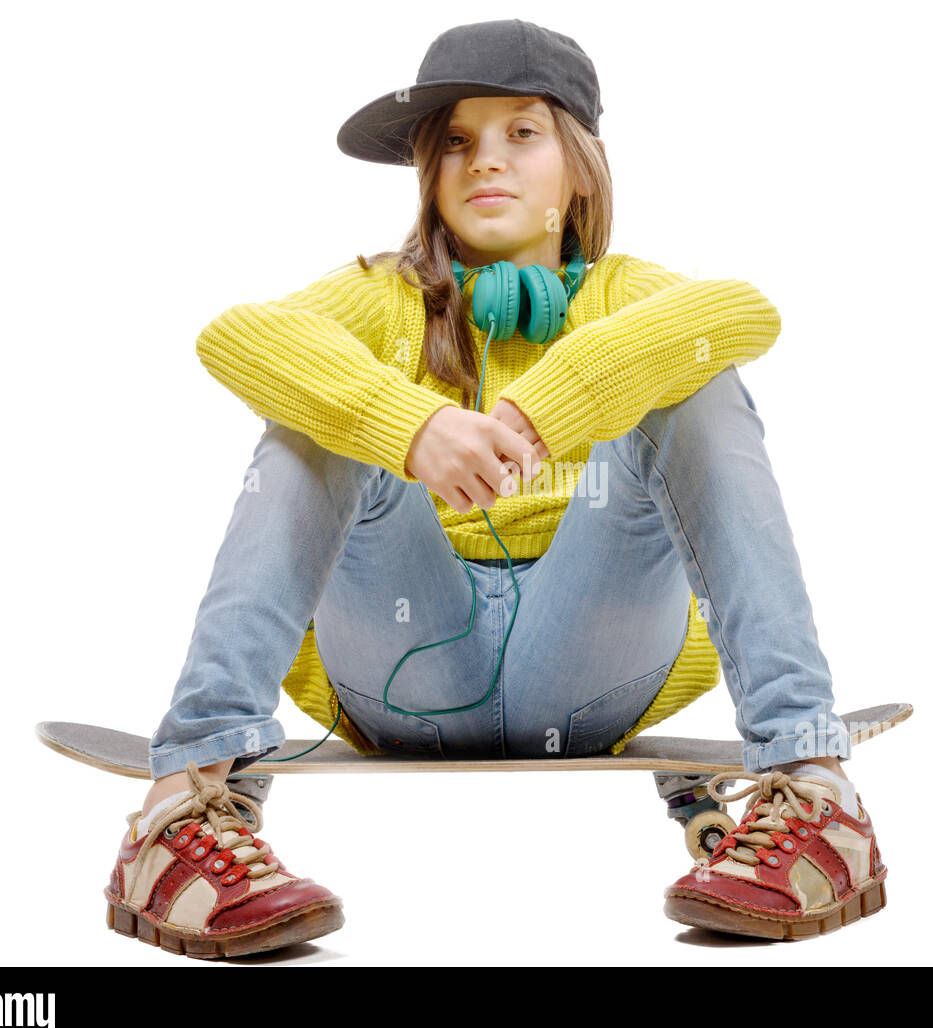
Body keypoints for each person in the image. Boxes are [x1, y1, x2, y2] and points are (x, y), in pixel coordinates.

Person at [102, 19, 889, 958]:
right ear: (431, 175)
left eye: (523, 134)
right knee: (313, 401)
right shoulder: (380, 295)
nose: (488, 163)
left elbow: (746, 311)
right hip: (402, 666)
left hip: (587, 660)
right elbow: (234, 335)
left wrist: (568, 396)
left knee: (698, 378)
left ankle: (814, 785)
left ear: (580, 167)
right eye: (459, 143)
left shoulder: (624, 292)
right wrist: (407, 425)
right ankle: (179, 813)